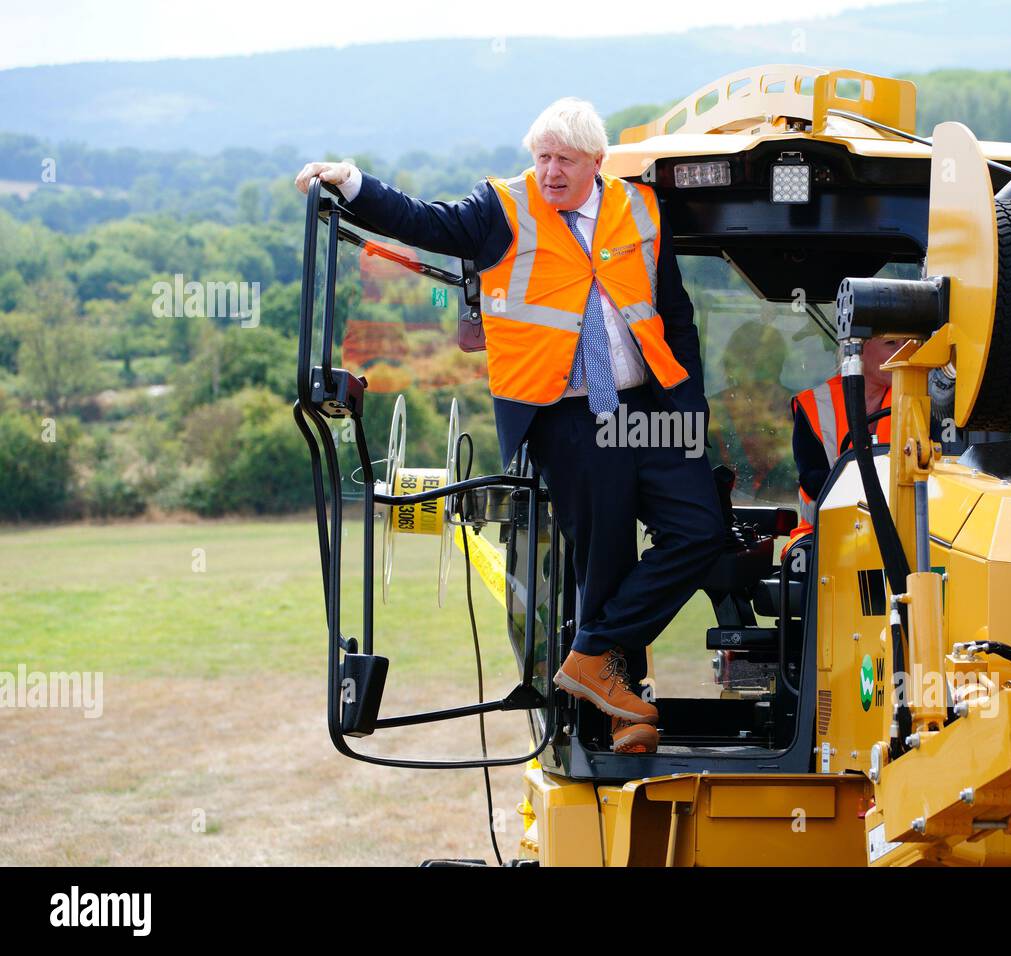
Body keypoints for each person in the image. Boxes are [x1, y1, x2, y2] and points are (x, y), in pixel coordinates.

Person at [295, 98, 726, 755]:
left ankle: (589, 655)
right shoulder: (502, 207)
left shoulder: (641, 209)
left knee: (701, 527)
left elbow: (675, 313)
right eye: (542, 157)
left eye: (565, 160)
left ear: (597, 163)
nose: (550, 171)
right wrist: (353, 183)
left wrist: (689, 409)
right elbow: (423, 223)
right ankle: (622, 715)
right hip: (568, 415)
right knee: (604, 557)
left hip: (649, 408)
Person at [784, 339, 898, 557]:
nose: (902, 352)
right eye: (891, 343)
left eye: (908, 343)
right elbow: (811, 481)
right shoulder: (814, 404)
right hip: (822, 534)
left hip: (899, 531)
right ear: (858, 348)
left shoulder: (919, 399)